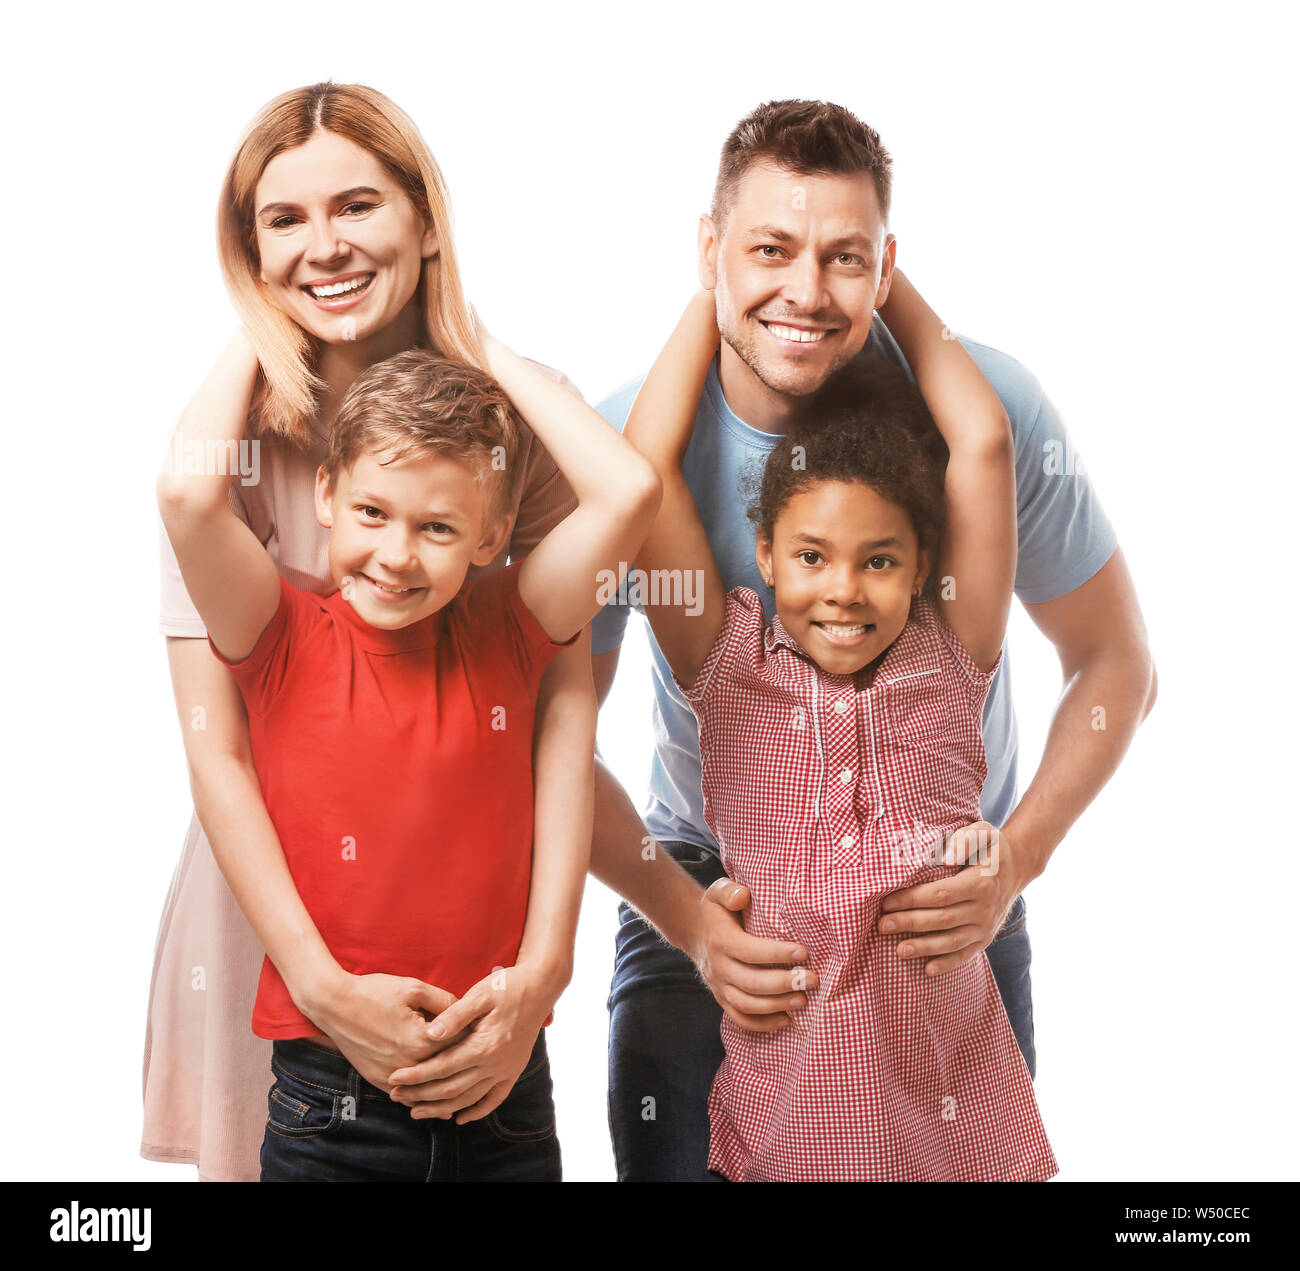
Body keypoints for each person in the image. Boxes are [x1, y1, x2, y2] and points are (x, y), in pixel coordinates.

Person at [589, 99, 1157, 1181]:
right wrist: (689, 923)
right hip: (715, 896)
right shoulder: (640, 457)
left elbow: (1117, 661)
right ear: (708, 250)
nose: (804, 290)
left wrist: (1013, 862)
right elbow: (546, 742)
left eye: (844, 257)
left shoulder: (980, 439)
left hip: (940, 908)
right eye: (766, 250)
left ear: (886, 263)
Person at [143, 82, 599, 1181]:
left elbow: (563, 724)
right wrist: (316, 979)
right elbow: (217, 754)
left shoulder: (520, 424)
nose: (324, 245)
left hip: (470, 922)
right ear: (248, 252)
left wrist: (547, 964)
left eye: (357, 206)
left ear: (425, 219)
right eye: (282, 221)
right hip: (277, 915)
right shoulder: (225, 456)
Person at [156, 333, 658, 1180]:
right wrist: (263, 329)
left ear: (493, 530)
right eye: (372, 512)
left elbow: (629, 492)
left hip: (502, 1090)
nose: (396, 554)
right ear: (326, 492)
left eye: (437, 526)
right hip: (331, 1102)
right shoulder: (279, 636)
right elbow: (185, 494)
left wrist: (481, 347)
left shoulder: (513, 623)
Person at [623, 278, 1056, 1181]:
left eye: (881, 560)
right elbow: (643, 473)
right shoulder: (731, 669)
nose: (845, 590)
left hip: (947, 1111)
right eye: (812, 557)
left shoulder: (952, 652)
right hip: (793, 1115)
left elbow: (983, 438)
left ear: (922, 566)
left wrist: (883, 290)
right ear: (768, 555)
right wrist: (721, 294)